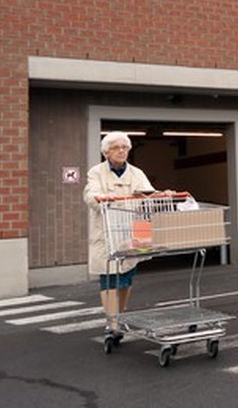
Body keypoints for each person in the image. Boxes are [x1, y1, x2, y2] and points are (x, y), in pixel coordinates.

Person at [83, 131, 156, 335]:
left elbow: (149, 193)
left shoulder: (136, 173)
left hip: (131, 231)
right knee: (109, 277)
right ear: (106, 152)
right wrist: (103, 199)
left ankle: (119, 314)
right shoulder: (96, 172)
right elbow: (90, 195)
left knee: (127, 277)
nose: (121, 151)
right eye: (116, 147)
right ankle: (112, 323)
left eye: (124, 147)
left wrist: (160, 194)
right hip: (106, 232)